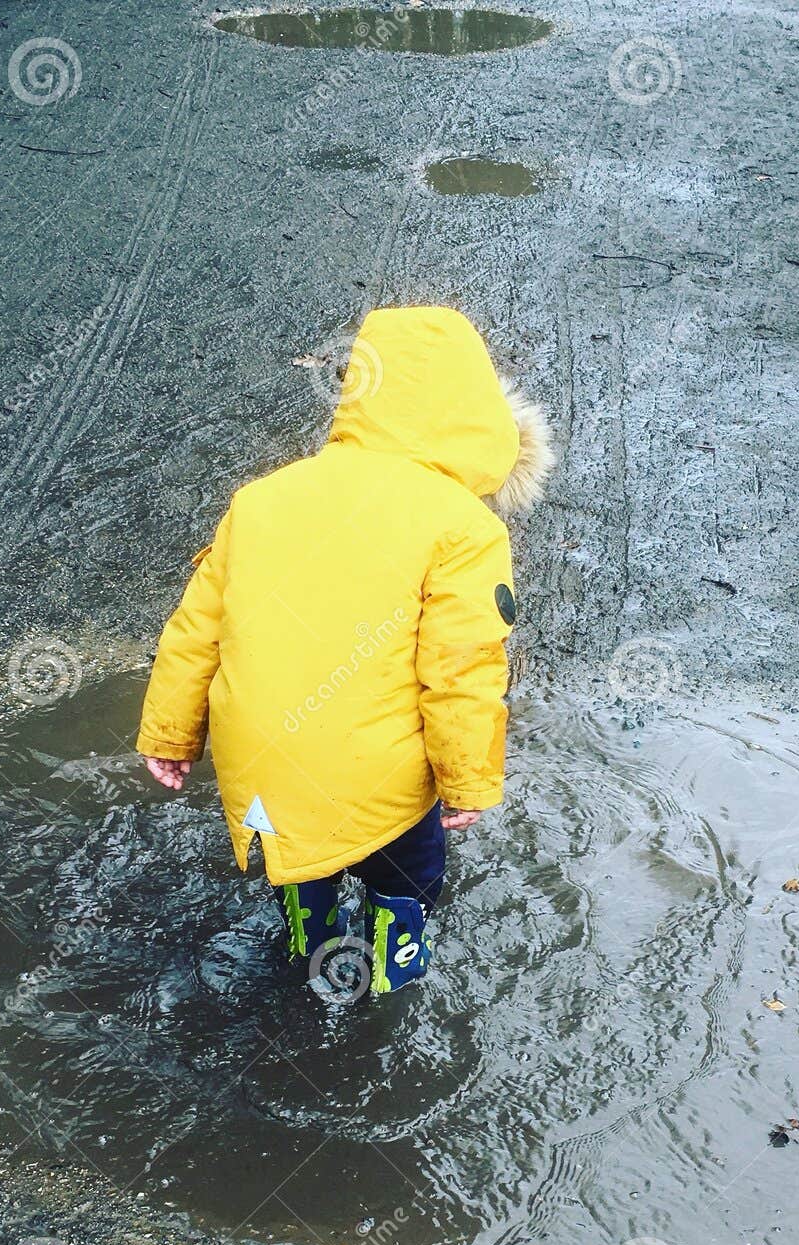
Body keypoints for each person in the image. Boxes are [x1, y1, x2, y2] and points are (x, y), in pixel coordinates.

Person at [135, 305, 553, 993]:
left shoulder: (264, 499)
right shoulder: (463, 527)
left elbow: (195, 629)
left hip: (264, 758)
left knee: (301, 852)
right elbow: (460, 670)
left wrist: (171, 735)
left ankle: (309, 939)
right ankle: (390, 979)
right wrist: (467, 780)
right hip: (373, 771)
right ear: (477, 414)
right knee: (407, 870)